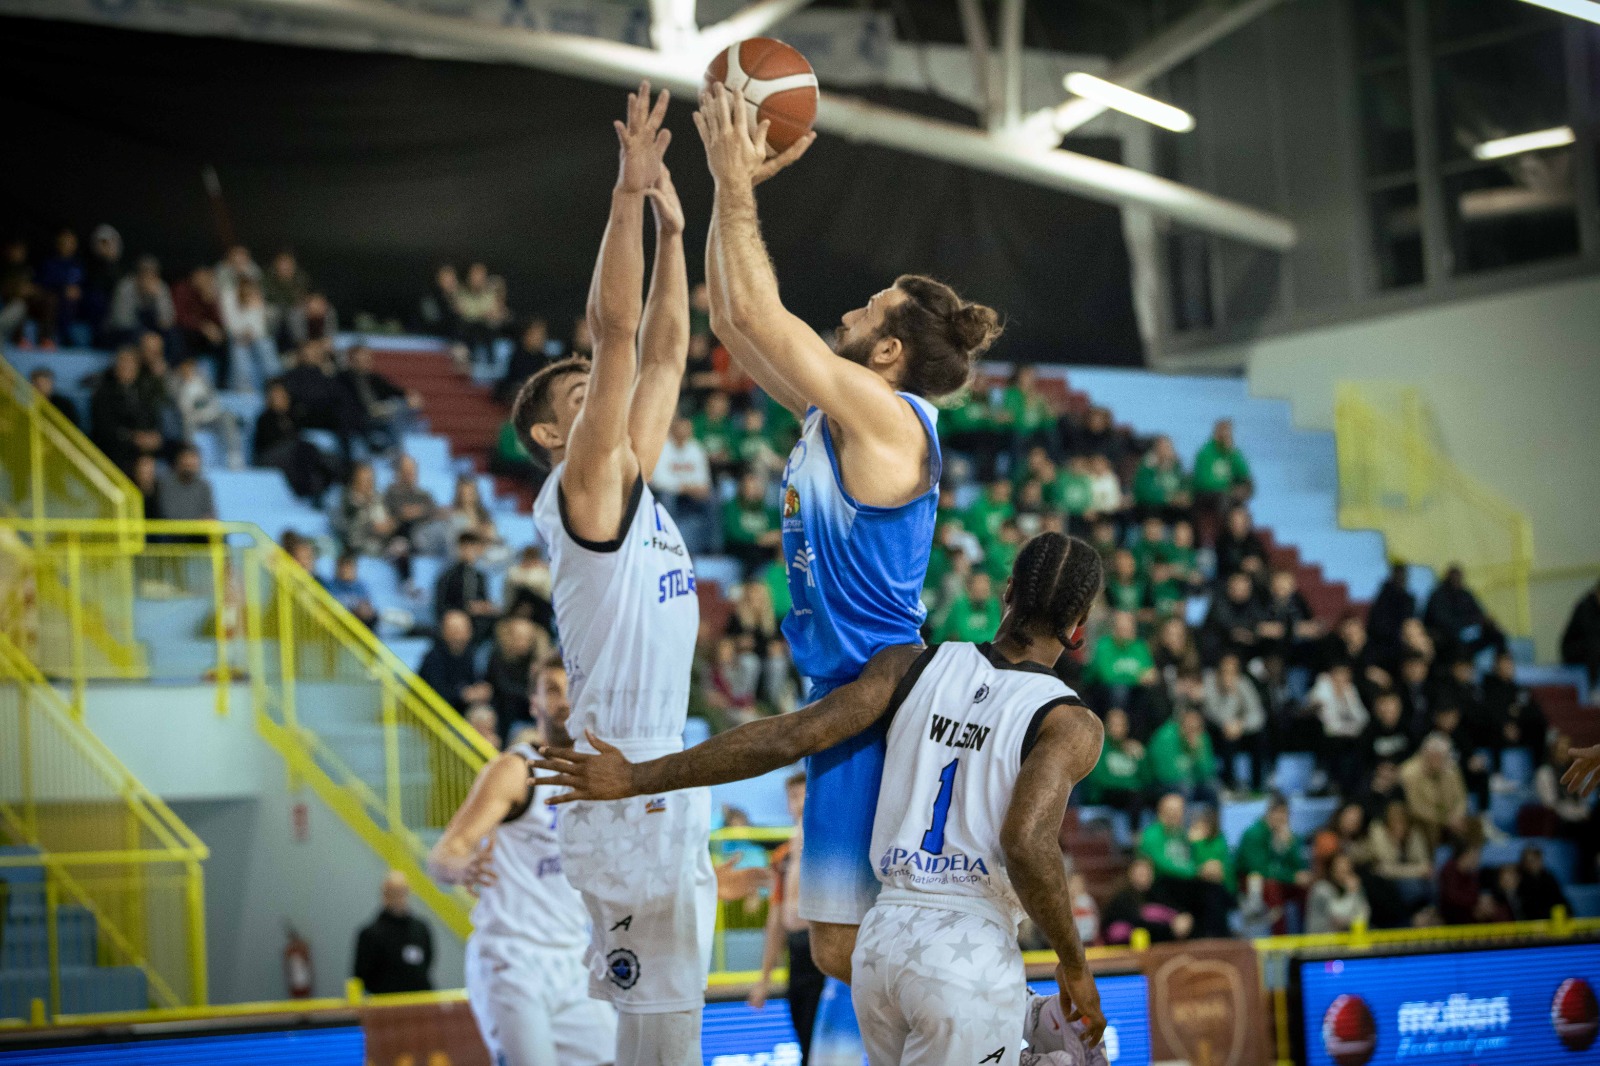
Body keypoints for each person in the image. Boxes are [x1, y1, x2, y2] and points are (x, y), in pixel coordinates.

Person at [533, 530, 1111, 1061]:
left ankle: (1031, 1036)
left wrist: (636, 777)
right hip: (969, 948)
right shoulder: (1069, 722)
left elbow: (789, 736)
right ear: (1078, 626)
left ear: (1007, 591)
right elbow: (1025, 841)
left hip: (882, 943)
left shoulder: (911, 664)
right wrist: (1074, 963)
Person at [693, 78, 1012, 1009]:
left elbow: (762, 317)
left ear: (888, 353)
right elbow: (729, 318)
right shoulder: (841, 418)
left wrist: (734, 179)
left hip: (880, 696)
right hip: (844, 689)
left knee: (837, 946)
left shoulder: (889, 419)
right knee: (835, 947)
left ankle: (992, 1010)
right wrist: (728, 189)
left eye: (868, 311)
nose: (848, 314)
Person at [511, 85, 711, 1065]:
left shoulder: (634, 485)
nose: (613, 400)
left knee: (666, 1037)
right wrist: (628, 196)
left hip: (664, 774)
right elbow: (621, 333)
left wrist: (677, 235)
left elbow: (666, 348)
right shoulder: (583, 490)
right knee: (654, 1045)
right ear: (557, 433)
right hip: (621, 780)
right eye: (587, 398)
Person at [426, 656, 616, 1066]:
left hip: (572, 957)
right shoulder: (515, 770)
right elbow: (444, 852)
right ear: (533, 703)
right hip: (511, 959)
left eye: (571, 690)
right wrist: (462, 866)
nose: (564, 701)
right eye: (551, 689)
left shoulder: (600, 775)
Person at [748, 773, 826, 1064]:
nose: (799, 804)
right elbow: (777, 920)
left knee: (828, 1045)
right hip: (798, 955)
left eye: (805, 796)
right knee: (805, 1042)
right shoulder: (783, 855)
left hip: (826, 952)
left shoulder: (830, 845)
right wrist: (764, 978)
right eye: (793, 797)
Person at [252, 379, 337, 504]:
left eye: (282, 395)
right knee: (303, 449)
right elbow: (271, 441)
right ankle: (306, 490)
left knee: (323, 456)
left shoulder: (294, 416)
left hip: (293, 455)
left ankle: (329, 484)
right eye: (275, 396)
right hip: (268, 456)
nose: (279, 399)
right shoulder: (264, 418)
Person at [1236, 794, 1311, 935]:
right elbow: (1260, 869)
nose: (1281, 818)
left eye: (1285, 814)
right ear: (1269, 813)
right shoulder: (1254, 834)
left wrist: (1289, 846)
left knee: (1305, 887)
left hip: (1278, 878)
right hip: (1251, 882)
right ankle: (1279, 940)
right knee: (1272, 886)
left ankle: (1307, 934)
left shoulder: (1288, 836)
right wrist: (1291, 877)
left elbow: (1297, 867)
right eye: (1278, 813)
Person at [353, 871, 434, 994]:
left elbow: (427, 961)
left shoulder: (421, 929)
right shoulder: (370, 934)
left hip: (419, 1000)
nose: (399, 898)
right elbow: (362, 975)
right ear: (384, 895)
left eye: (403, 892)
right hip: (386, 1004)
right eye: (394, 893)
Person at [650, 416, 718, 554]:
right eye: (681, 428)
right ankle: (668, 542)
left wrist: (696, 488)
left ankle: (713, 548)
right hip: (668, 493)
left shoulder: (696, 448)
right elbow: (658, 480)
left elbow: (703, 480)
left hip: (690, 494)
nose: (685, 431)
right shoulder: (662, 447)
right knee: (666, 497)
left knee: (713, 498)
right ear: (673, 429)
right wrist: (684, 487)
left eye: (688, 428)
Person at [1201, 653, 1268, 792]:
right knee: (1227, 737)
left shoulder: (1243, 682)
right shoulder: (1209, 682)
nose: (1229, 675)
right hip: (1216, 731)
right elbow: (1215, 715)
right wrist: (1230, 694)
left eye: (1233, 671)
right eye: (1225, 670)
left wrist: (1241, 725)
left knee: (1259, 736)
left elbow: (1258, 714)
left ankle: (1257, 785)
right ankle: (1229, 785)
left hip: (1238, 728)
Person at [90, 346, 164, 471]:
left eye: (131, 363)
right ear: (116, 367)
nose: (127, 367)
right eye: (123, 362)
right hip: (115, 451)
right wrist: (133, 437)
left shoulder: (144, 391)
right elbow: (104, 428)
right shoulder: (103, 393)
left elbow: (153, 419)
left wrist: (154, 437)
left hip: (143, 452)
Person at [168, 355, 244, 469]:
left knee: (227, 417)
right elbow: (180, 405)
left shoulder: (202, 380)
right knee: (186, 423)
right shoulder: (175, 383)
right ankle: (190, 456)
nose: (188, 370)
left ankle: (233, 455)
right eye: (185, 368)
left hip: (209, 415)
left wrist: (201, 405)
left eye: (190, 367)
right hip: (190, 417)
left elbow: (212, 399)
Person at [1399, 733, 1471, 850]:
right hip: (1424, 820)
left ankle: (1465, 863)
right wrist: (1445, 820)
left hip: (1451, 817)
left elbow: (1461, 797)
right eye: (1440, 757)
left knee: (1475, 826)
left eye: (1445, 757)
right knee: (1429, 828)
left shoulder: (1450, 768)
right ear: (1428, 755)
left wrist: (1457, 815)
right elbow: (1416, 807)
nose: (1444, 761)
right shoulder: (1409, 773)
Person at [1423, 565, 1507, 662]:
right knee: (1453, 639)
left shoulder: (1465, 594)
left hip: (1467, 634)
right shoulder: (1437, 595)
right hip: (1446, 637)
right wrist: (1467, 624)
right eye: (1454, 577)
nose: (1456, 580)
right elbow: (1441, 621)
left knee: (1497, 634)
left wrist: (1485, 622)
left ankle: (1502, 667)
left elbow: (1480, 614)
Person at [1101, 856, 1191, 945]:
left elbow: (1174, 909)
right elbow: (1139, 923)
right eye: (1140, 872)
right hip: (1125, 948)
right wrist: (1171, 927)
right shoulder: (1122, 897)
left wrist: (1182, 918)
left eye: (1148, 872)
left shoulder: (1156, 892)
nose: (1145, 876)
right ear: (1130, 873)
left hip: (1159, 945)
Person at [418, 610, 493, 713]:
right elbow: (433, 694)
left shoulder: (473, 655)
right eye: (453, 629)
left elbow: (478, 681)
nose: (458, 634)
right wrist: (463, 694)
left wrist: (482, 690)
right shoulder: (433, 658)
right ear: (443, 631)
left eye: (462, 629)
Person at [434, 532, 498, 642]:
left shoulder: (480, 576)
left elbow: (484, 600)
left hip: (480, 620)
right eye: (465, 547)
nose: (469, 551)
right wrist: (466, 608)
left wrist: (485, 607)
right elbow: (440, 606)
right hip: (458, 618)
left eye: (473, 547)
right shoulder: (448, 576)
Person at [220, 275, 279, 391]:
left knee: (266, 345)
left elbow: (261, 329)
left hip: (256, 338)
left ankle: (277, 386)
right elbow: (230, 326)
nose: (248, 291)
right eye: (245, 288)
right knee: (240, 350)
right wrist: (244, 332)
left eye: (251, 289)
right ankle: (245, 392)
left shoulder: (257, 300)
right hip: (237, 338)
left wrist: (255, 308)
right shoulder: (229, 298)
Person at [722, 470, 781, 578]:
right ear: (742, 487)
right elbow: (734, 533)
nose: (755, 487)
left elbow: (777, 531)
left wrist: (772, 538)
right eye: (751, 484)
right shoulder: (732, 507)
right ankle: (751, 583)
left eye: (758, 484)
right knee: (753, 552)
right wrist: (759, 538)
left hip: (766, 548)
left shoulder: (769, 510)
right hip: (741, 547)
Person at [1191, 419, 1252, 517]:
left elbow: (1244, 474)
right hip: (1206, 496)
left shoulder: (1233, 453)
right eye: (1223, 432)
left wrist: (1232, 454)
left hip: (1228, 494)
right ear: (1216, 433)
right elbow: (1204, 482)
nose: (1225, 435)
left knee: (1245, 491)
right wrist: (1229, 489)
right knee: (1224, 498)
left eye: (1228, 432)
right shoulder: (1205, 453)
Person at [1306, 854, 1370, 934]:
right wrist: (1352, 893)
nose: (1345, 875)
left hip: (1342, 940)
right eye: (1341, 870)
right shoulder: (1321, 889)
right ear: (1331, 870)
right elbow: (1339, 916)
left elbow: (1363, 915)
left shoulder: (1350, 888)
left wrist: (1355, 893)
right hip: (1320, 942)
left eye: (1348, 871)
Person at [154, 445, 217, 522]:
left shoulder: (204, 485)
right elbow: (168, 514)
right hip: (170, 531)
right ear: (177, 461)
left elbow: (210, 514)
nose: (189, 463)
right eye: (186, 458)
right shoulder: (165, 483)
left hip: (198, 532)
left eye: (193, 459)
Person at [1562, 581, 1600, 697]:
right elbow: (1591, 634)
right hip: (1573, 651)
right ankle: (1592, 689)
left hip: (1589, 648)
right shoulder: (1585, 607)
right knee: (1595, 645)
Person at [323, 552, 379, 630]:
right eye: (342, 567)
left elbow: (367, 609)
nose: (345, 571)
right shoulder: (328, 586)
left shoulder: (360, 587)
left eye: (349, 567)